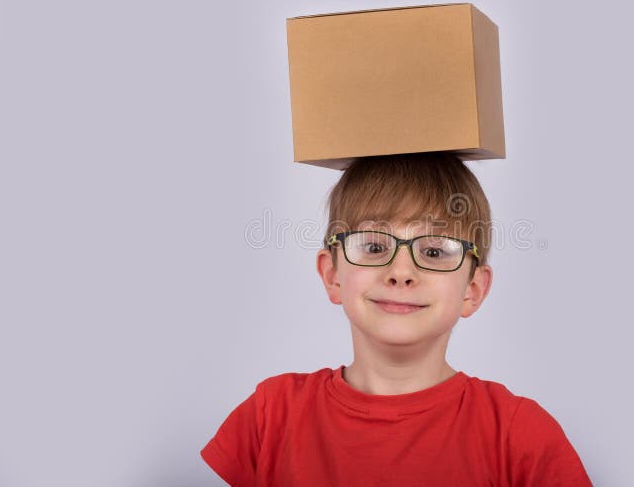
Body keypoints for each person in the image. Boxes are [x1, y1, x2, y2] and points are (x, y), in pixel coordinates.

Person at [201, 152, 592, 486]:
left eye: (435, 251)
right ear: (333, 276)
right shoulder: (270, 416)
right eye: (373, 245)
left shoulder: (519, 435)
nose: (401, 270)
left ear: (473, 289)